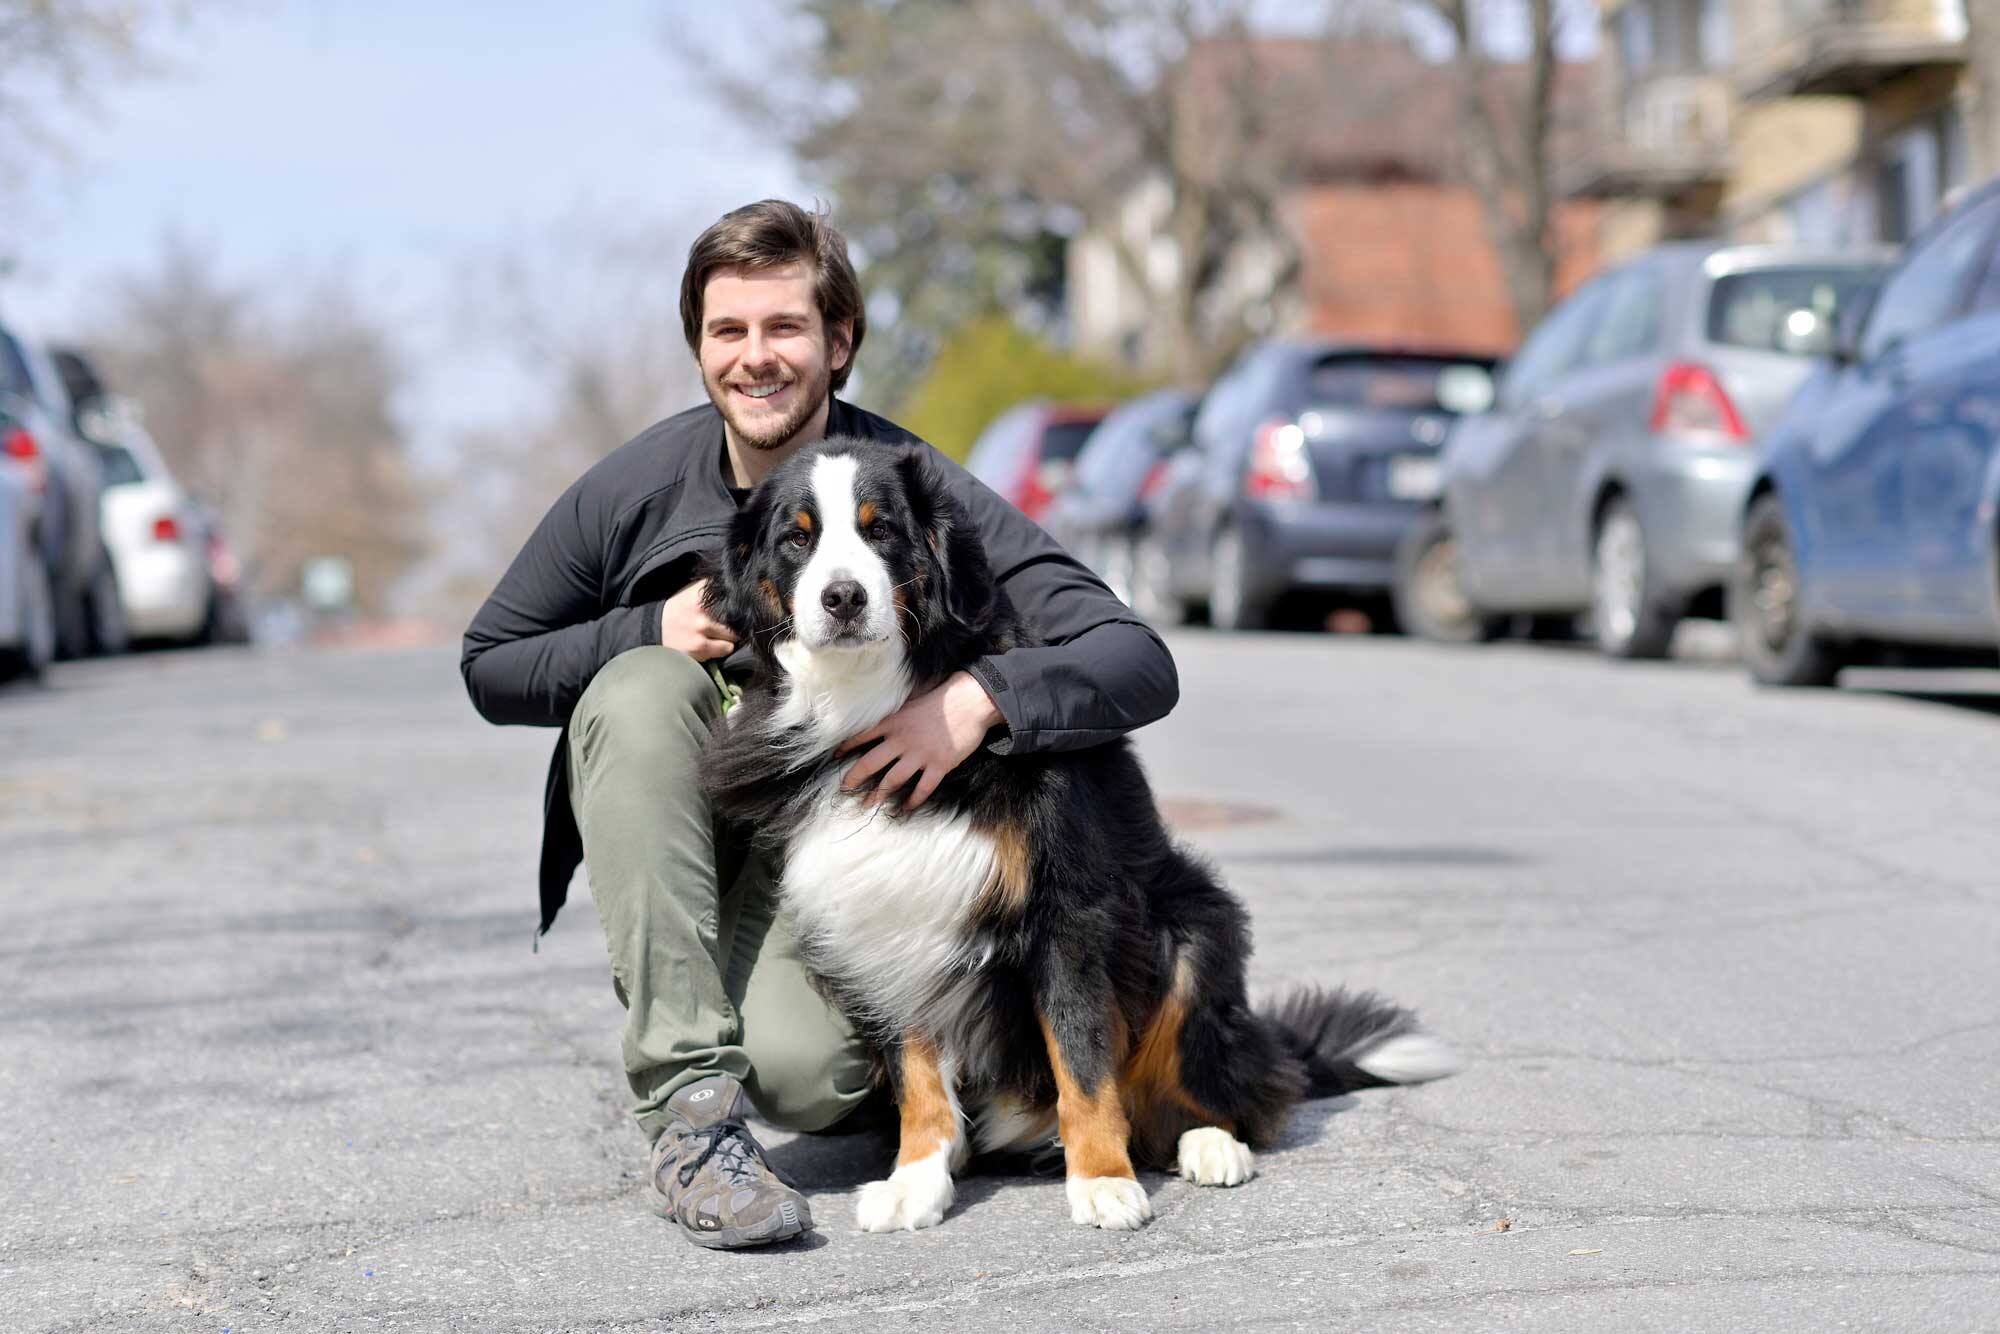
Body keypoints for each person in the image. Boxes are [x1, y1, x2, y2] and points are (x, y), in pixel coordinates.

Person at [460, 199, 1178, 1250]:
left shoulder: (911, 487)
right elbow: (489, 663)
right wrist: (642, 624)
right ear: (700, 347)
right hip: (698, 836)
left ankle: (951, 1088)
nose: (756, 357)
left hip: (839, 858)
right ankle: (689, 1106)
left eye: (784, 327)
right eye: (728, 331)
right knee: (634, 685)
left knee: (806, 1076)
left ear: (838, 342)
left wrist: (977, 700)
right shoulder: (633, 488)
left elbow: (1133, 657)